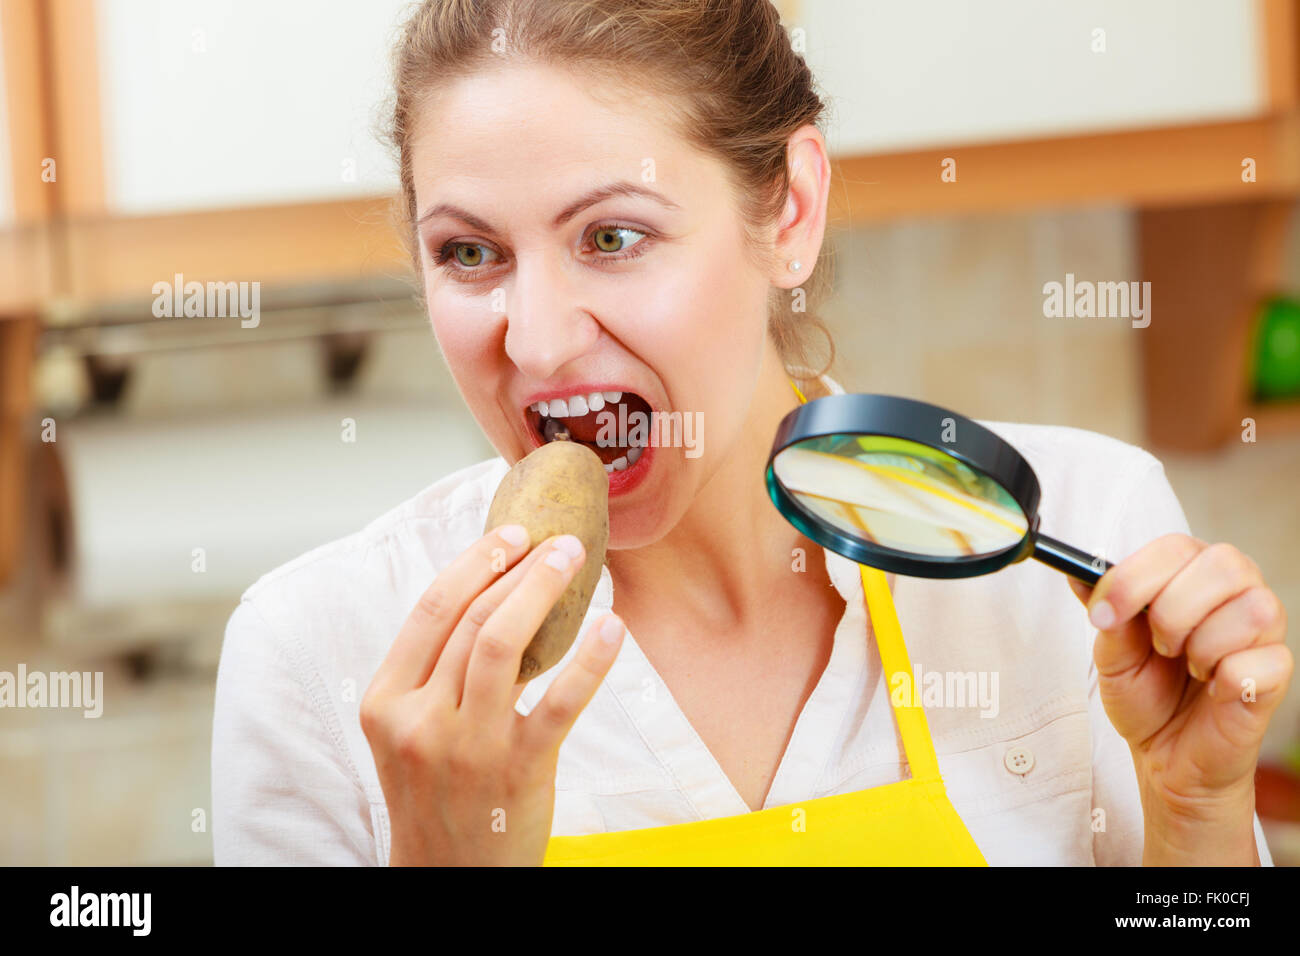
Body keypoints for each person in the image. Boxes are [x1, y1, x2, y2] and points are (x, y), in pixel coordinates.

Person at [211, 0, 1291, 865]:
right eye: (467, 253)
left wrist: (1195, 815)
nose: (534, 342)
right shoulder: (320, 659)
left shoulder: (1079, 538)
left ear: (789, 212)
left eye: (613, 234)